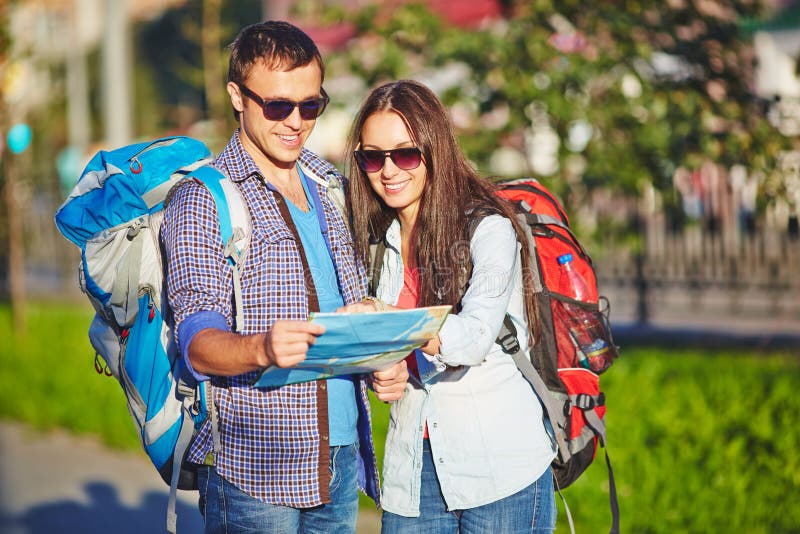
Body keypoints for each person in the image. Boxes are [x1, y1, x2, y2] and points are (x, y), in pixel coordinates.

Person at [161, 21, 408, 534]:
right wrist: (262, 348)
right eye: (277, 106)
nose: (296, 121)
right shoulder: (204, 200)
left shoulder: (331, 187)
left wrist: (381, 357)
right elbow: (197, 343)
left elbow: (349, 308)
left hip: (338, 459)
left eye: (311, 105)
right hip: (252, 470)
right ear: (237, 96)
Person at [343, 80, 558, 533]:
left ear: (434, 149)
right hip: (412, 472)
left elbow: (474, 336)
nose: (388, 170)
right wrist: (386, 364)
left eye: (405, 154)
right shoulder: (378, 242)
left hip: (502, 469)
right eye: (372, 156)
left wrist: (392, 324)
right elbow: (398, 358)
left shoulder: (488, 229)